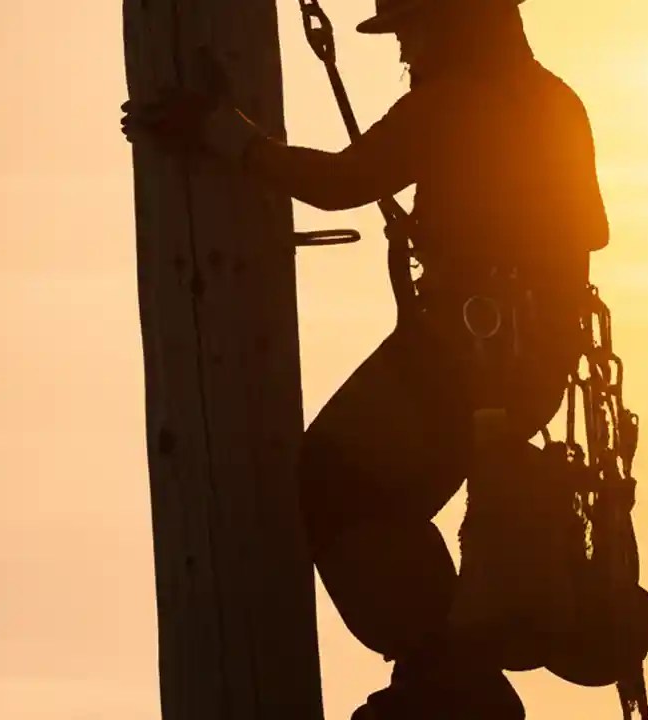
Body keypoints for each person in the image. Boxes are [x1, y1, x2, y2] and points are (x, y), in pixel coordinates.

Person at [121, 1, 609, 717]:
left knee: (337, 477)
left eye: (412, 29)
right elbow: (587, 228)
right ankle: (450, 663)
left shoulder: (458, 101)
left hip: (463, 356)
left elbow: (342, 182)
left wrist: (225, 134)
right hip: (522, 363)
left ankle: (448, 670)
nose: (406, 49)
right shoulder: (555, 101)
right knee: (385, 498)